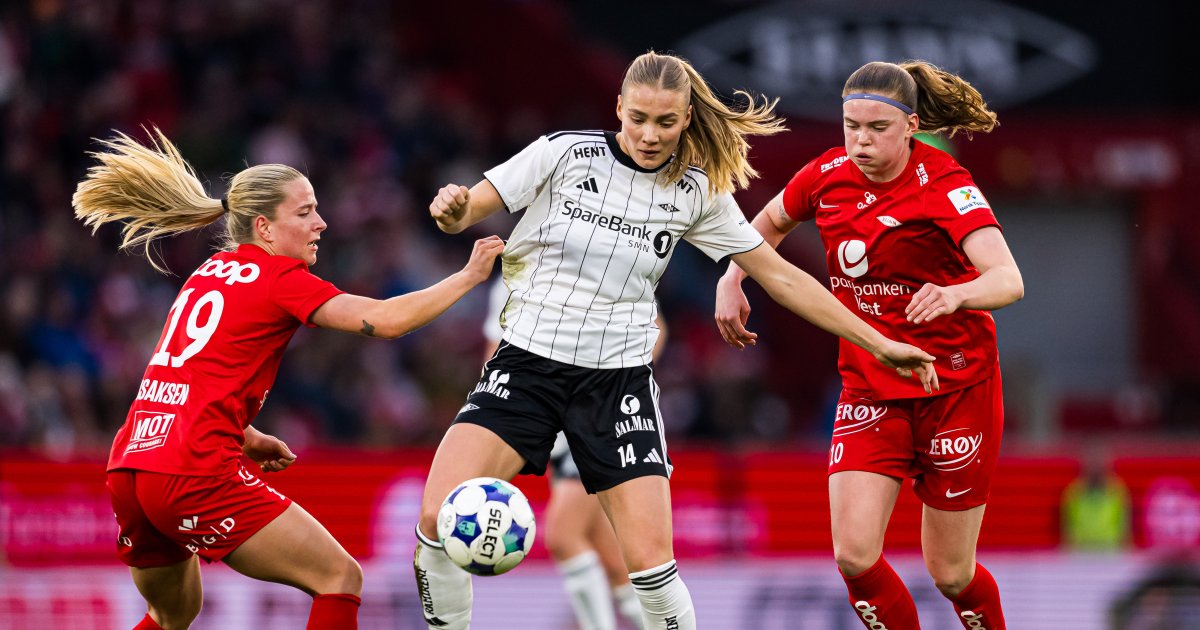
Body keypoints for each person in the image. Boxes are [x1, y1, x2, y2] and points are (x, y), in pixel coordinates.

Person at [412, 50, 937, 630]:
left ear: (687, 119)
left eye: (666, 121)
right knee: (437, 521)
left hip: (617, 387)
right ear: (618, 108)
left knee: (652, 573)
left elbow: (783, 278)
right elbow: (466, 212)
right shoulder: (561, 154)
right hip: (527, 367)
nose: (649, 134)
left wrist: (877, 342)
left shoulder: (696, 193)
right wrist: (451, 209)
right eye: (638, 118)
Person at [72, 128, 503, 630]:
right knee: (339, 578)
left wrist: (246, 435)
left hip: (133, 464)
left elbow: (188, 373)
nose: (321, 223)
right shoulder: (279, 278)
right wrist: (469, 276)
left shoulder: (209, 271)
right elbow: (386, 320)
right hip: (192, 469)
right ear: (265, 228)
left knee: (173, 613)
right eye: (305, 213)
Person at [715, 60, 1023, 629]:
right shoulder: (825, 173)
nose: (860, 139)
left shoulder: (946, 183)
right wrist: (734, 277)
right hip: (870, 386)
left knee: (951, 573)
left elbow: (1009, 279)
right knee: (853, 554)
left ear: (910, 126)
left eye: (877, 127)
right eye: (850, 124)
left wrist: (956, 295)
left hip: (955, 386)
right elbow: (767, 226)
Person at [483, 278, 648, 630]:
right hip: (551, 429)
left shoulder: (596, 265)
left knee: (563, 535)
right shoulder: (510, 280)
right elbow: (494, 353)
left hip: (593, 418)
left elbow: (655, 329)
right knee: (616, 561)